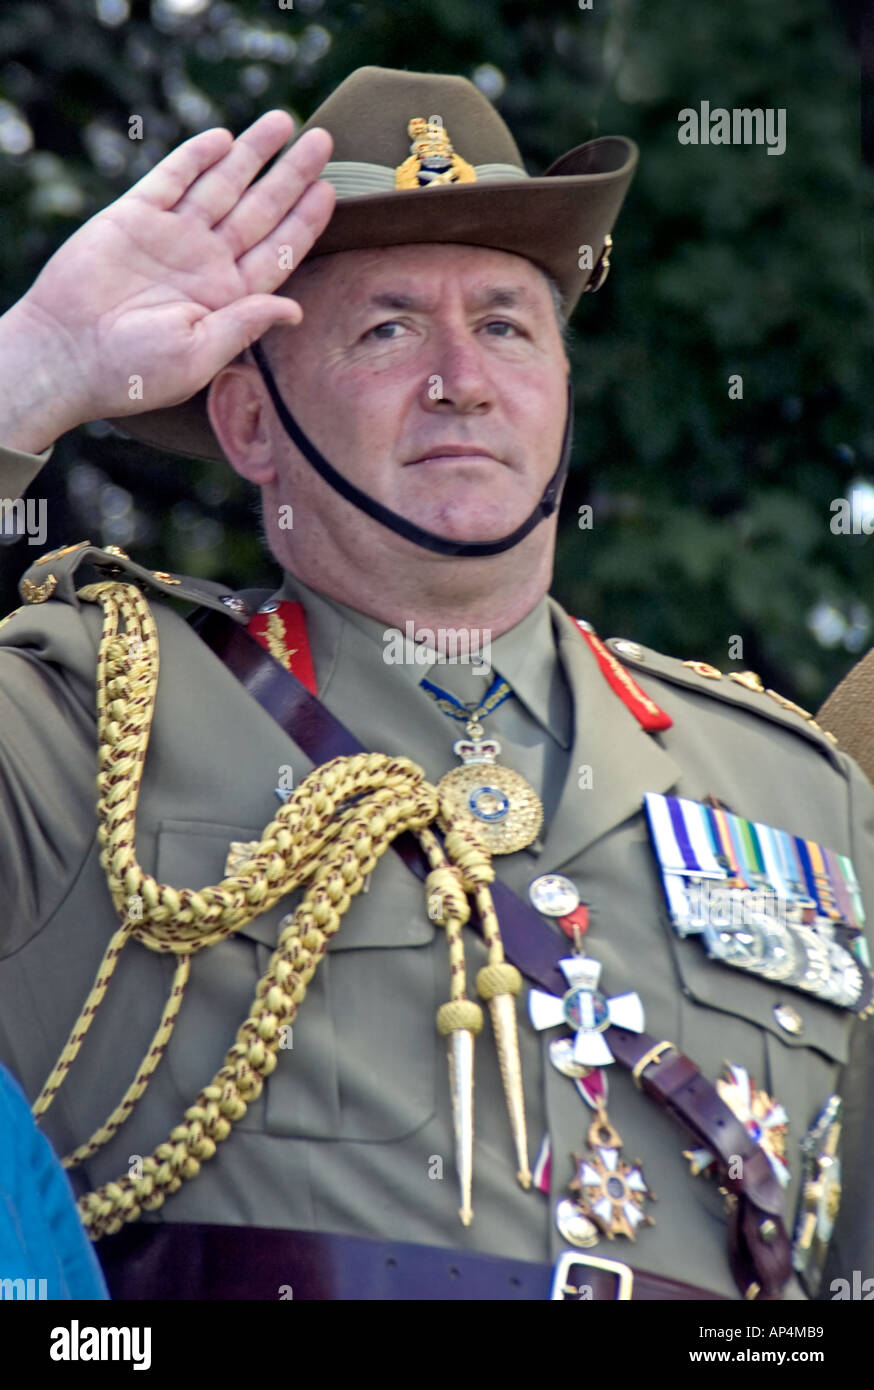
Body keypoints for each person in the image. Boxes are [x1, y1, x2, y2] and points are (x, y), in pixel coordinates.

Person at [0, 65, 872, 1302]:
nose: (461, 376)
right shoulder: (82, 721)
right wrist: (30, 372)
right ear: (252, 424)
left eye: (508, 324)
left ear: (563, 390)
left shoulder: (802, 794)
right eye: (388, 327)